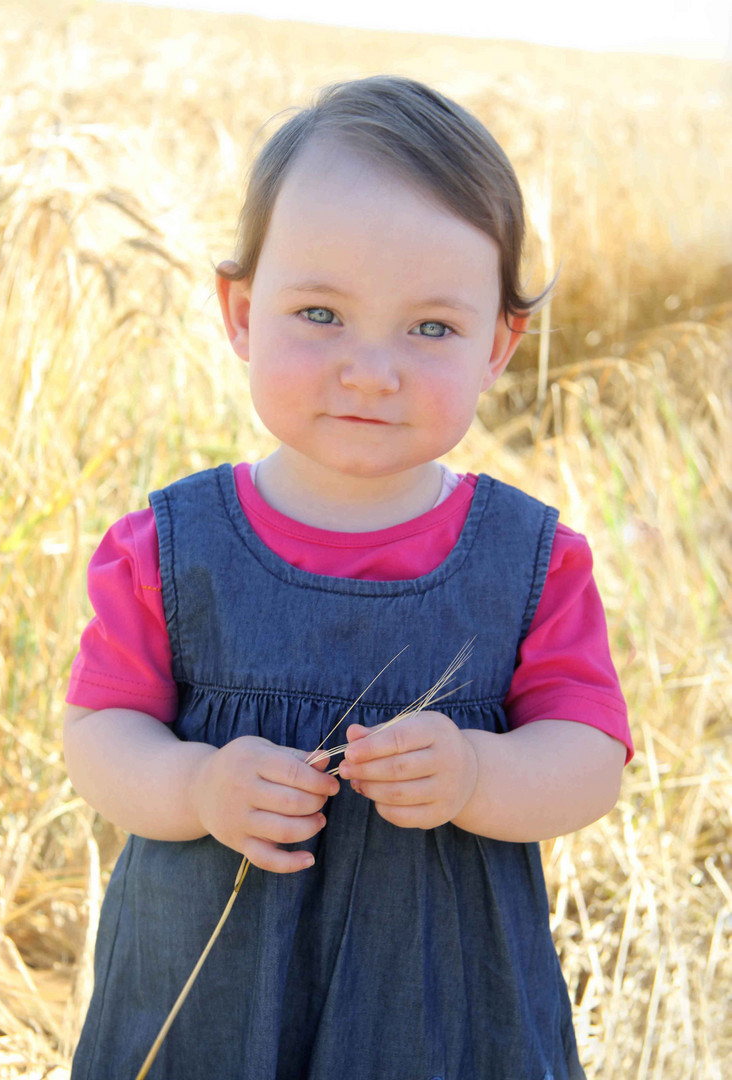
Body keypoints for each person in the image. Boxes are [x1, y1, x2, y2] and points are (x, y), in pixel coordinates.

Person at [63, 76, 632, 1080]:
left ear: (499, 344)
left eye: (430, 329)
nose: (372, 369)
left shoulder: (533, 562)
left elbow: (589, 758)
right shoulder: (167, 545)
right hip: (205, 994)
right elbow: (100, 738)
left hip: (439, 1008)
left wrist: (477, 774)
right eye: (321, 312)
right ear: (241, 312)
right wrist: (193, 783)